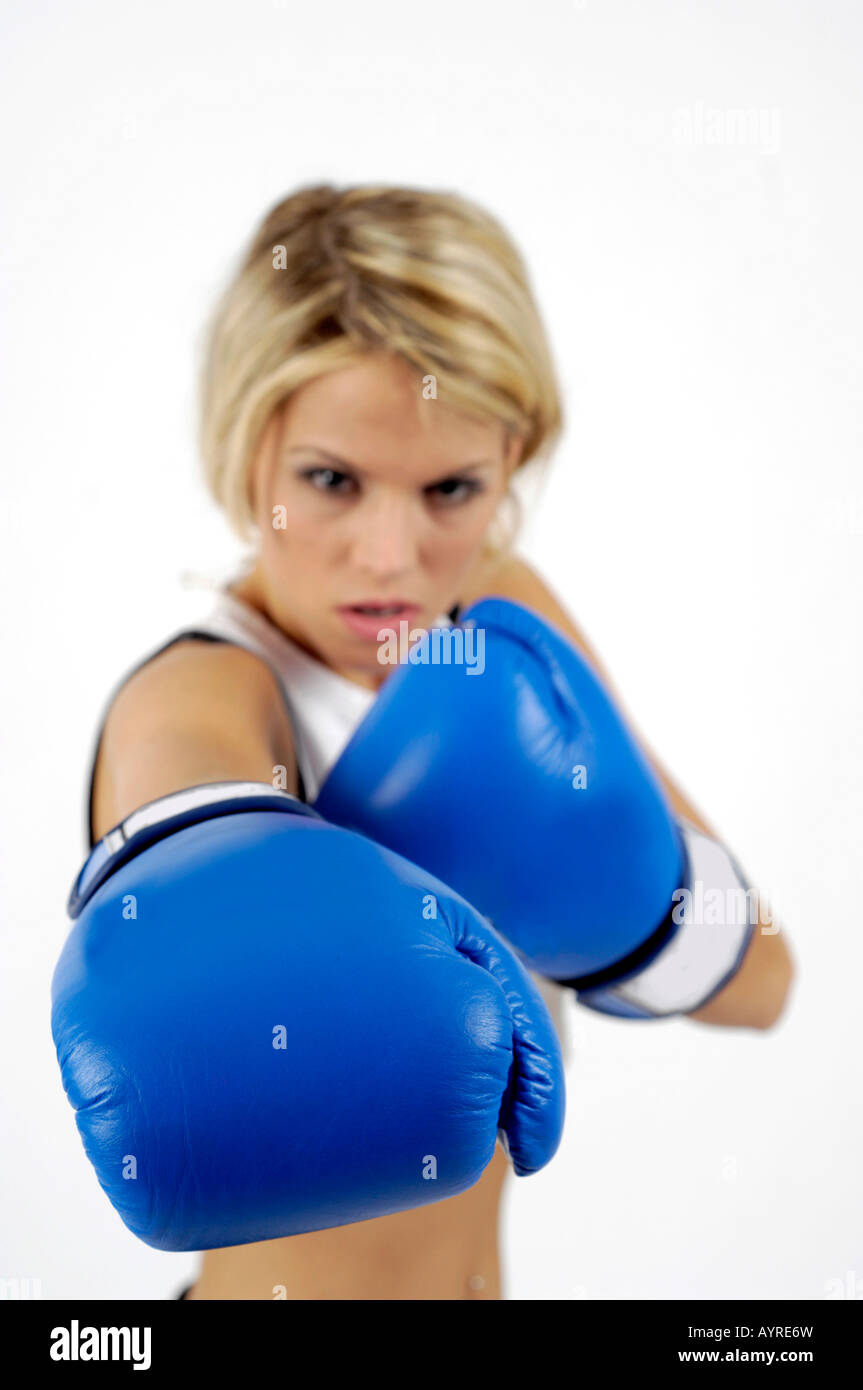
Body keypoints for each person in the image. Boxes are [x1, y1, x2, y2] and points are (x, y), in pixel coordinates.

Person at [72, 184, 792, 1300]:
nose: (391, 558)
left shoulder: (502, 616)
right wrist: (203, 856)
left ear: (516, 458)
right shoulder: (207, 689)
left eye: (450, 487)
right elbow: (176, 854)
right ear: (243, 449)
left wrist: (631, 920)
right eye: (331, 480)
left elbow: (762, 981)